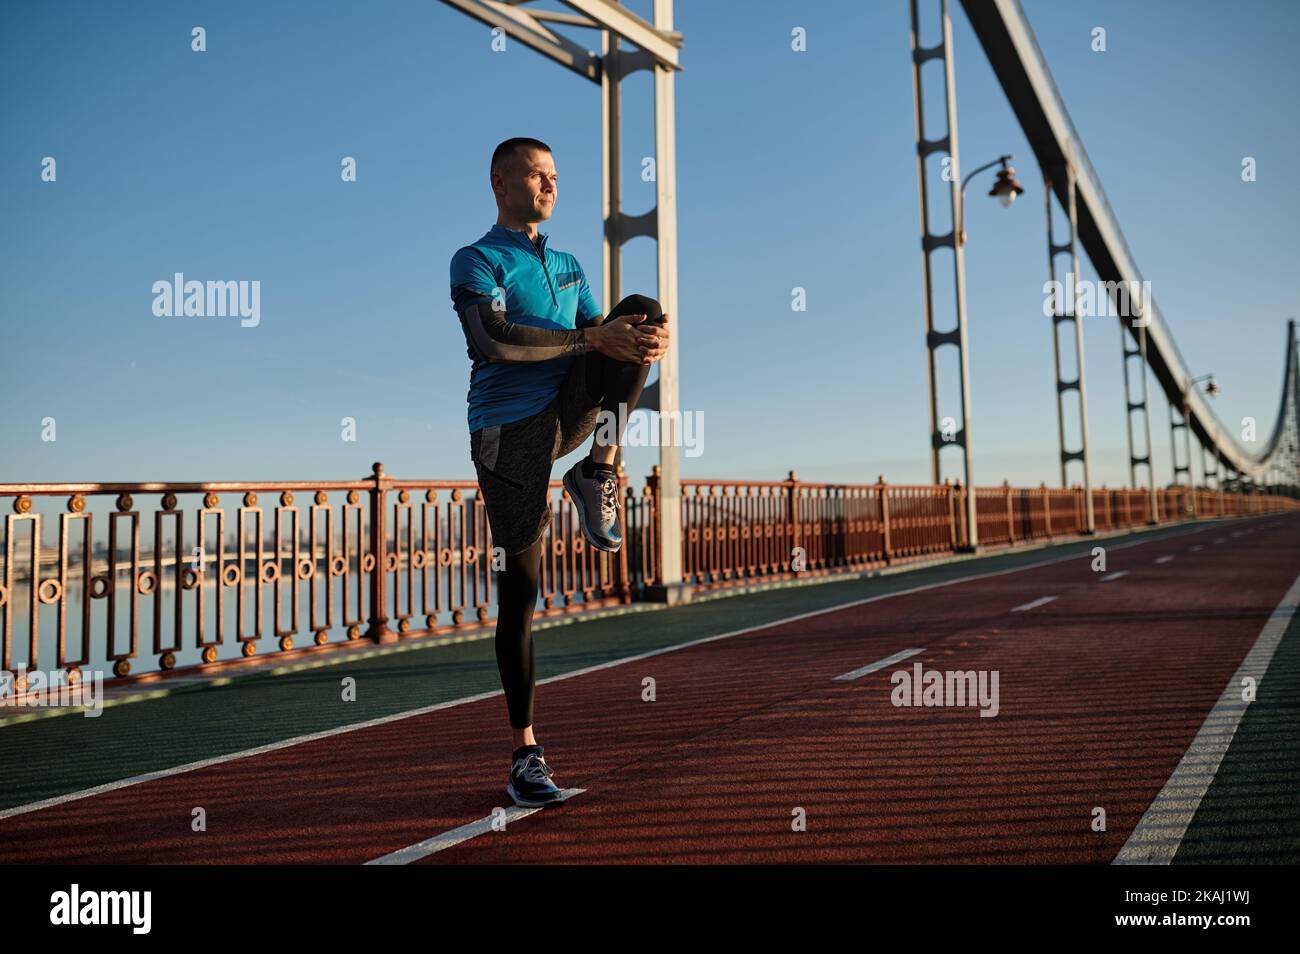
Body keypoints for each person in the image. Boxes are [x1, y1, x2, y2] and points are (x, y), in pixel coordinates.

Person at [449, 137, 670, 807]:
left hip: (566, 418)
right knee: (522, 591)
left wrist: (640, 341)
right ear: (500, 181)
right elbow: (489, 341)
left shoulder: (570, 262)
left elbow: (602, 339)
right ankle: (525, 754)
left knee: (636, 313)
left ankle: (596, 471)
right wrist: (590, 339)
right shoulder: (478, 258)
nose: (548, 185)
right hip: (508, 433)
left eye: (554, 176)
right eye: (535, 175)